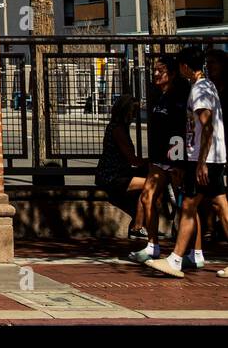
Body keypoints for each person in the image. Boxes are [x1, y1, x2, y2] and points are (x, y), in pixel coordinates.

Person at [148, 47, 228, 278]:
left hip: (205, 159)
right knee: (219, 205)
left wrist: (201, 161)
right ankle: (176, 258)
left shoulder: (200, 89)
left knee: (189, 206)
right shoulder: (207, 86)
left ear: (184, 66)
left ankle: (175, 259)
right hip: (212, 157)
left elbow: (208, 125)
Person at [127, 55, 188, 264]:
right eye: (154, 70)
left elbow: (181, 130)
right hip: (158, 159)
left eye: (159, 70)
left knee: (186, 206)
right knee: (147, 197)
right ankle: (152, 245)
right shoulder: (158, 95)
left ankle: (193, 252)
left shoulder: (180, 96)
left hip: (174, 160)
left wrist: (178, 163)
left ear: (170, 74)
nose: (154, 74)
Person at [94, 91, 146, 229]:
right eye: (133, 111)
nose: (135, 115)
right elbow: (132, 159)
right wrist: (152, 162)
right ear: (125, 111)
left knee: (148, 184)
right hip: (112, 177)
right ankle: (138, 227)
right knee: (151, 185)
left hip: (116, 174)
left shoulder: (118, 127)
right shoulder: (118, 129)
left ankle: (140, 224)